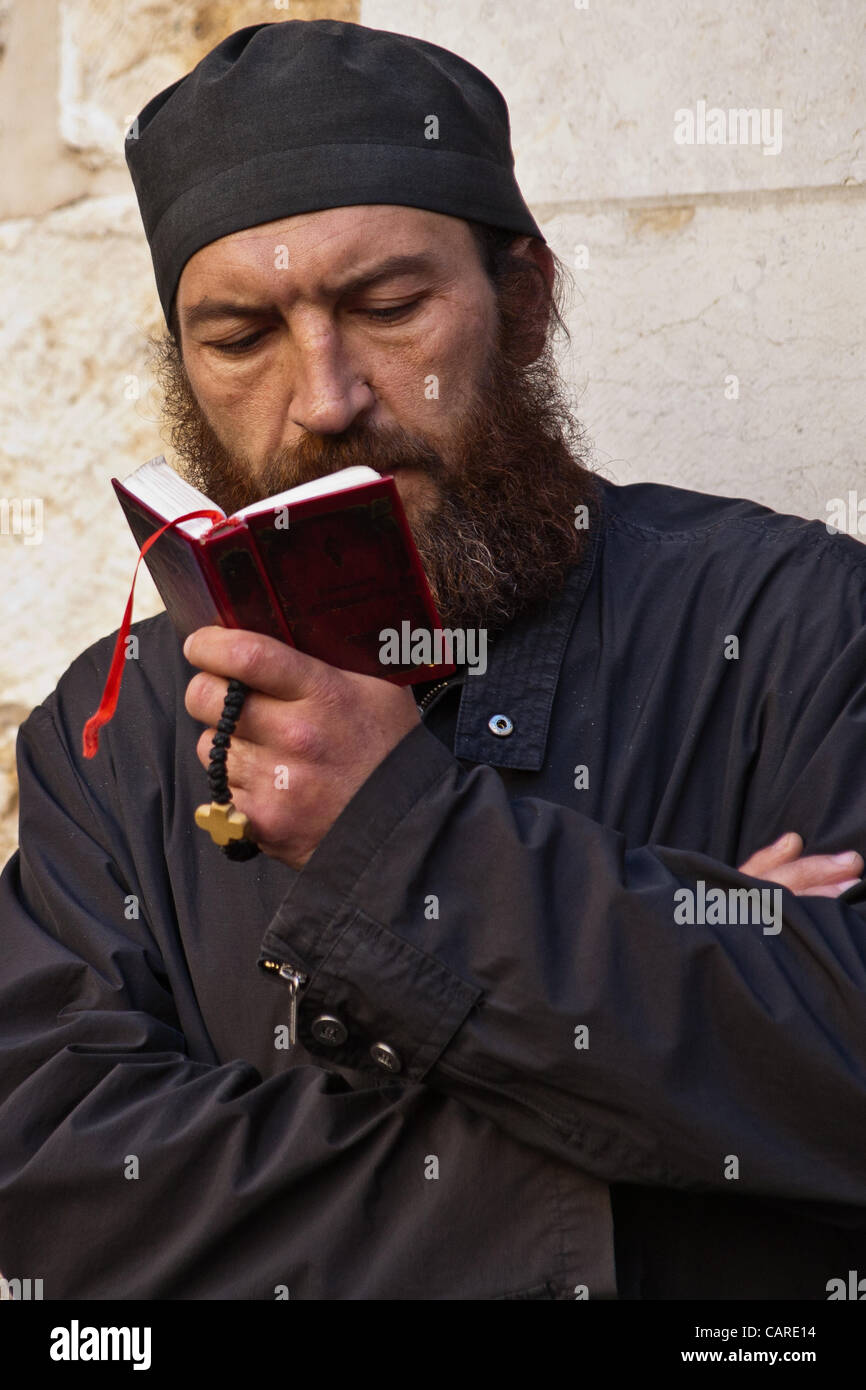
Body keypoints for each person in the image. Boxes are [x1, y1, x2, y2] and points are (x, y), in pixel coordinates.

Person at [1, 17, 865, 1301]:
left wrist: (396, 836)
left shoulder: (790, 618)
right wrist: (652, 1121)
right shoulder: (110, 731)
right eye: (241, 337)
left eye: (387, 307)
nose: (326, 396)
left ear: (523, 303)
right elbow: (53, 1200)